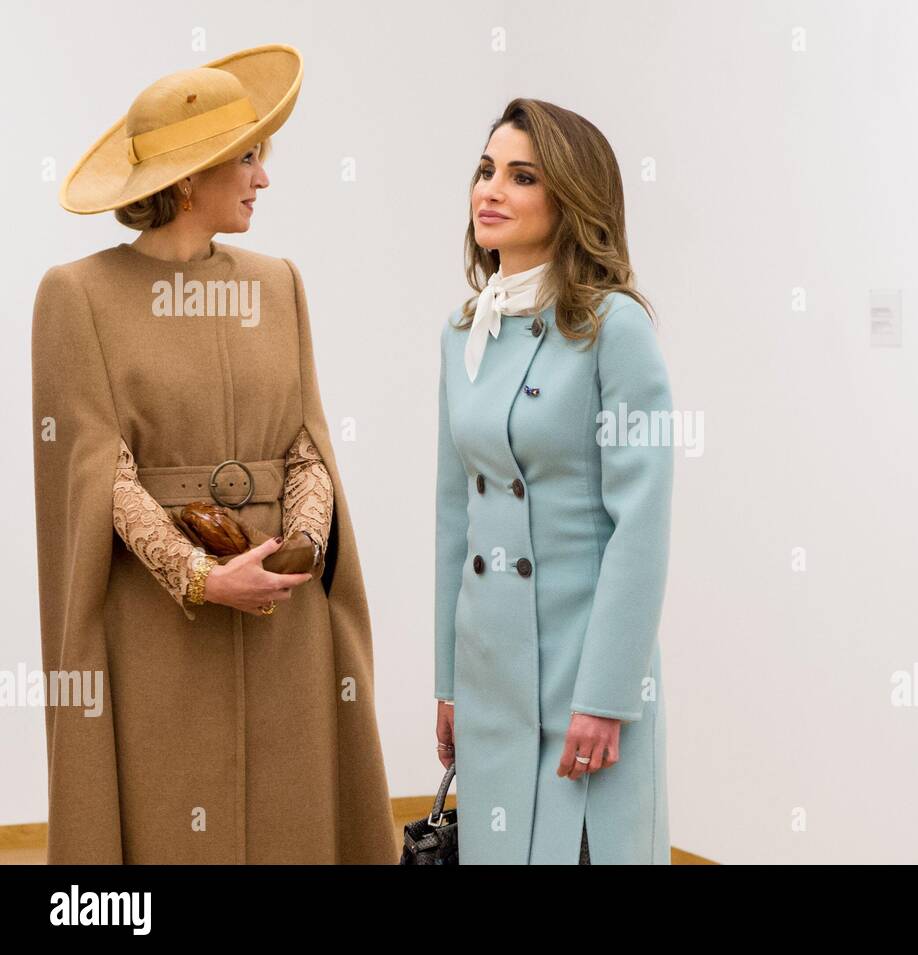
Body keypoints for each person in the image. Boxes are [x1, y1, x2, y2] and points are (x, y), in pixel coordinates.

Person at [32, 44, 397, 863]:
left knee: (291, 821)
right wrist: (200, 577)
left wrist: (297, 549)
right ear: (188, 178)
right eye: (248, 157)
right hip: (158, 629)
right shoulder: (76, 294)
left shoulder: (280, 283)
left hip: (284, 617)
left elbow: (308, 446)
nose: (263, 177)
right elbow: (99, 474)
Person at [434, 98, 674, 864]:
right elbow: (452, 517)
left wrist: (608, 695)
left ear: (570, 200)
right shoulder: (464, 332)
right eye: (485, 170)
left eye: (521, 176)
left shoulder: (614, 328)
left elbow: (642, 525)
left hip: (585, 684)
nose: (490, 190)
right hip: (491, 679)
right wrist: (447, 679)